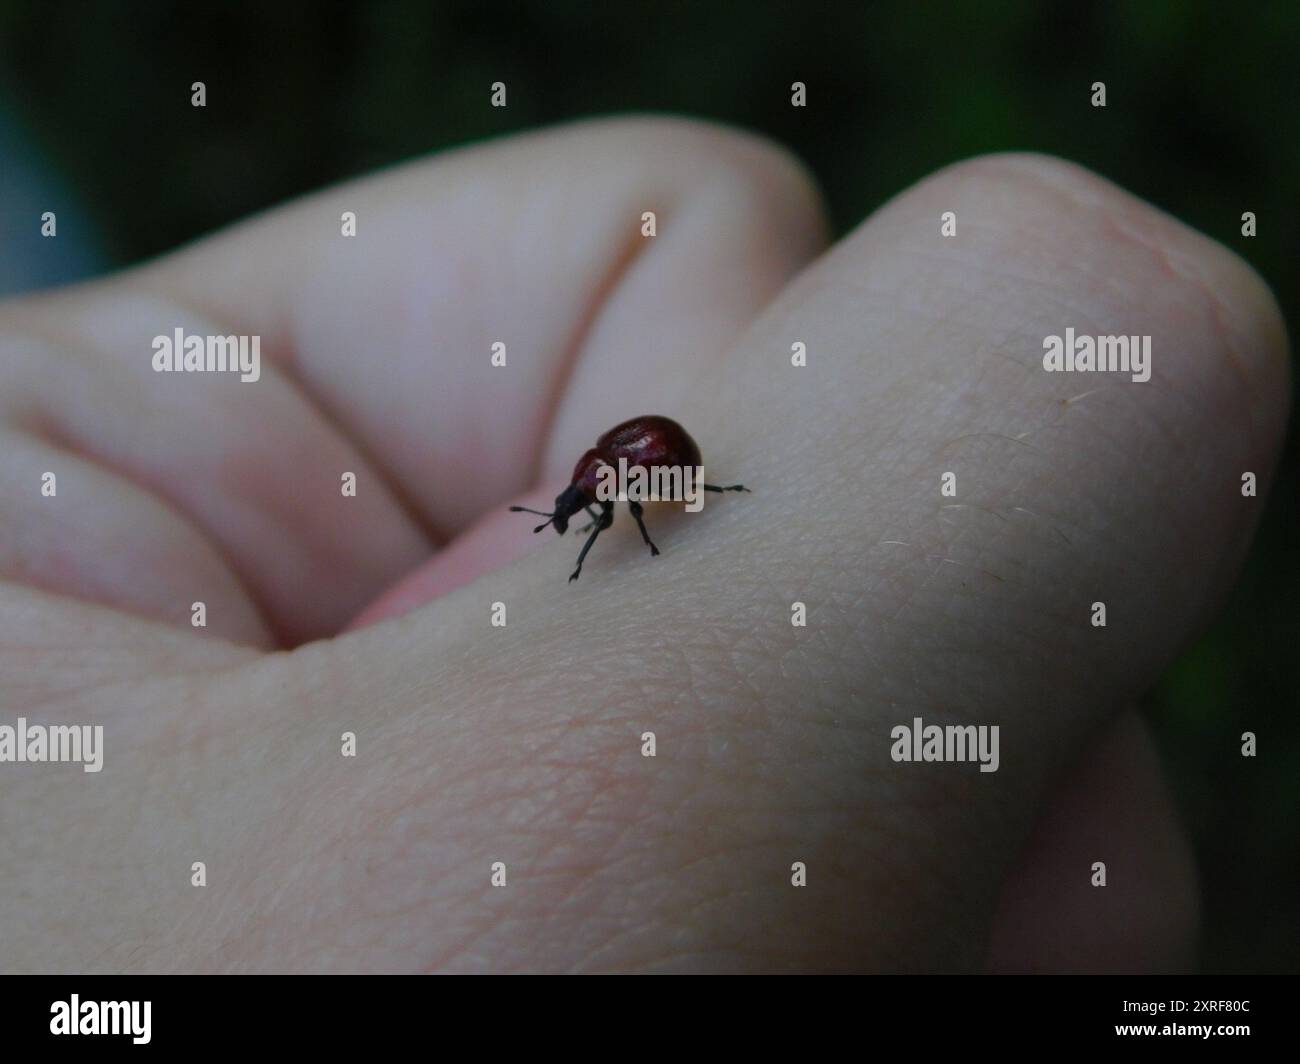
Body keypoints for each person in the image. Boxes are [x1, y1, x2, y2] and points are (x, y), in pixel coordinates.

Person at [0, 118, 1287, 972]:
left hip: (656, 449)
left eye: (577, 518)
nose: (576, 526)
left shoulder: (622, 484)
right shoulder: (596, 491)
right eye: (576, 520)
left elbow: (641, 480)